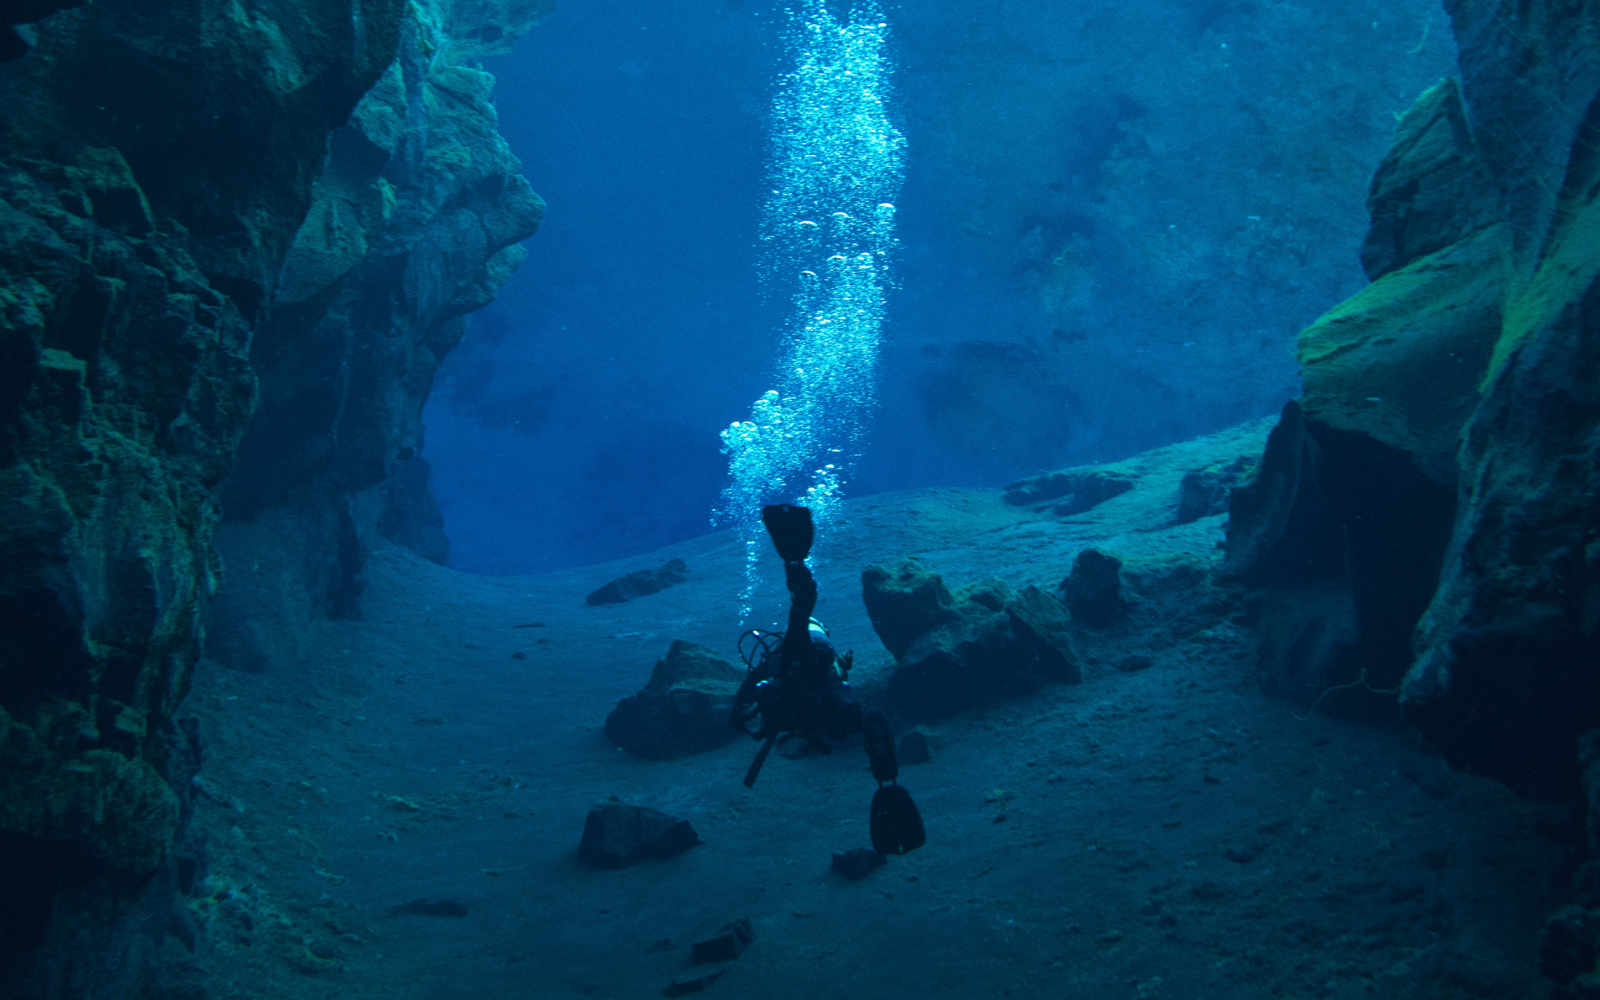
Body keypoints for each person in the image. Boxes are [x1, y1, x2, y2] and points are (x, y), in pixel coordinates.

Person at [731, 504, 925, 857]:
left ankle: (796, 570)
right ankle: (881, 764)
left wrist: (741, 716)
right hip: (816, 691)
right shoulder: (821, 660)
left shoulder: (775, 658)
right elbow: (831, 678)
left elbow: (746, 697)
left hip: (792, 698)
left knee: (800, 619)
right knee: (855, 712)